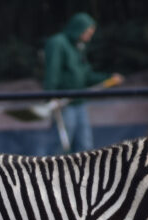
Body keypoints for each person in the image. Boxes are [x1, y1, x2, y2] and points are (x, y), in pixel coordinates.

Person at [42, 12, 123, 152]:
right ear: (78, 28)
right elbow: (52, 72)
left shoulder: (78, 46)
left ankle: (83, 173)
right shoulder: (58, 43)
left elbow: (85, 75)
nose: (89, 36)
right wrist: (51, 95)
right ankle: (52, 172)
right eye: (87, 32)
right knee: (60, 144)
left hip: (79, 102)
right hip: (64, 103)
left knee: (84, 145)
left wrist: (108, 78)